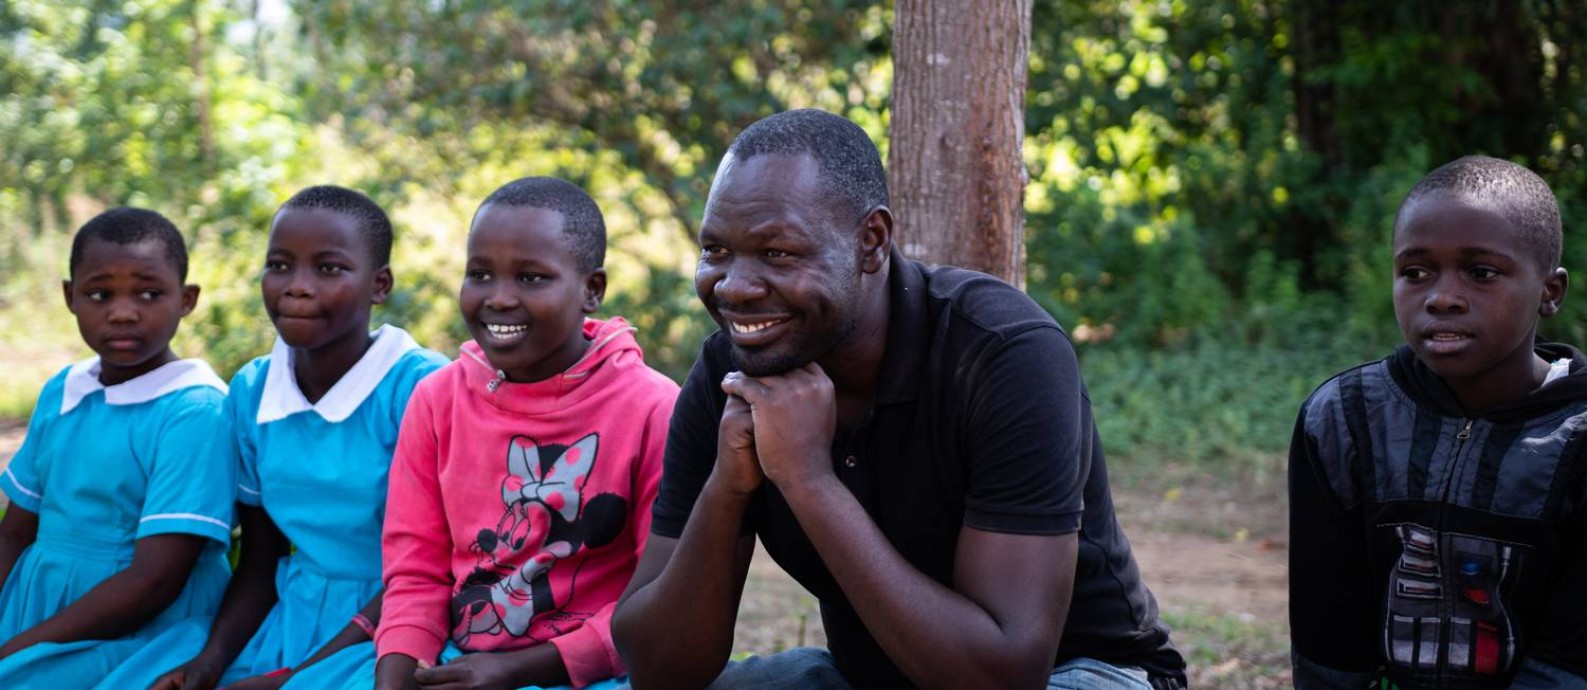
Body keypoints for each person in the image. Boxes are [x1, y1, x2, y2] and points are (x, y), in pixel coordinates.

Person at [612, 109, 1186, 690]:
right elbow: (660, 672)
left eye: (779, 253)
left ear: (871, 241)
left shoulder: (1001, 352)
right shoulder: (727, 374)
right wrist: (727, 487)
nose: (734, 285)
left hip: (1084, 672)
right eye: (715, 251)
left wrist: (809, 480)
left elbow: (1004, 675)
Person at [91, 186, 448, 690]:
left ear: (379, 284)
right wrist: (209, 663)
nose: (296, 287)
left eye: (329, 268)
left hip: (401, 626)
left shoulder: (421, 387)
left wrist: (291, 679)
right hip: (292, 615)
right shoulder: (254, 390)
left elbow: (433, 569)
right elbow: (261, 561)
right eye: (279, 265)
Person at [328, 177, 678, 690]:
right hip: (452, 660)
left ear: (592, 290)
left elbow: (657, 598)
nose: (499, 298)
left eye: (532, 277)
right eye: (480, 274)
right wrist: (397, 675)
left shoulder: (653, 409)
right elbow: (416, 573)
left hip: (590, 671)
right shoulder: (437, 399)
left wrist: (515, 670)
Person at [1289, 156, 1587, 689]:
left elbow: (1571, 661)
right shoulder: (1344, 419)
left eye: (1481, 273)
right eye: (1415, 272)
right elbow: (1329, 644)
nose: (1442, 297)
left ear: (1550, 291)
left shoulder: (1579, 437)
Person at [0, 207, 233, 689]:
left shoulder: (195, 410)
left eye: (149, 294)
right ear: (70, 296)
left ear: (185, 299)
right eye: (100, 294)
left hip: (140, 634)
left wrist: (16, 654)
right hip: (35, 609)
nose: (123, 312)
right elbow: (15, 533)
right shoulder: (66, 390)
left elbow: (155, 582)